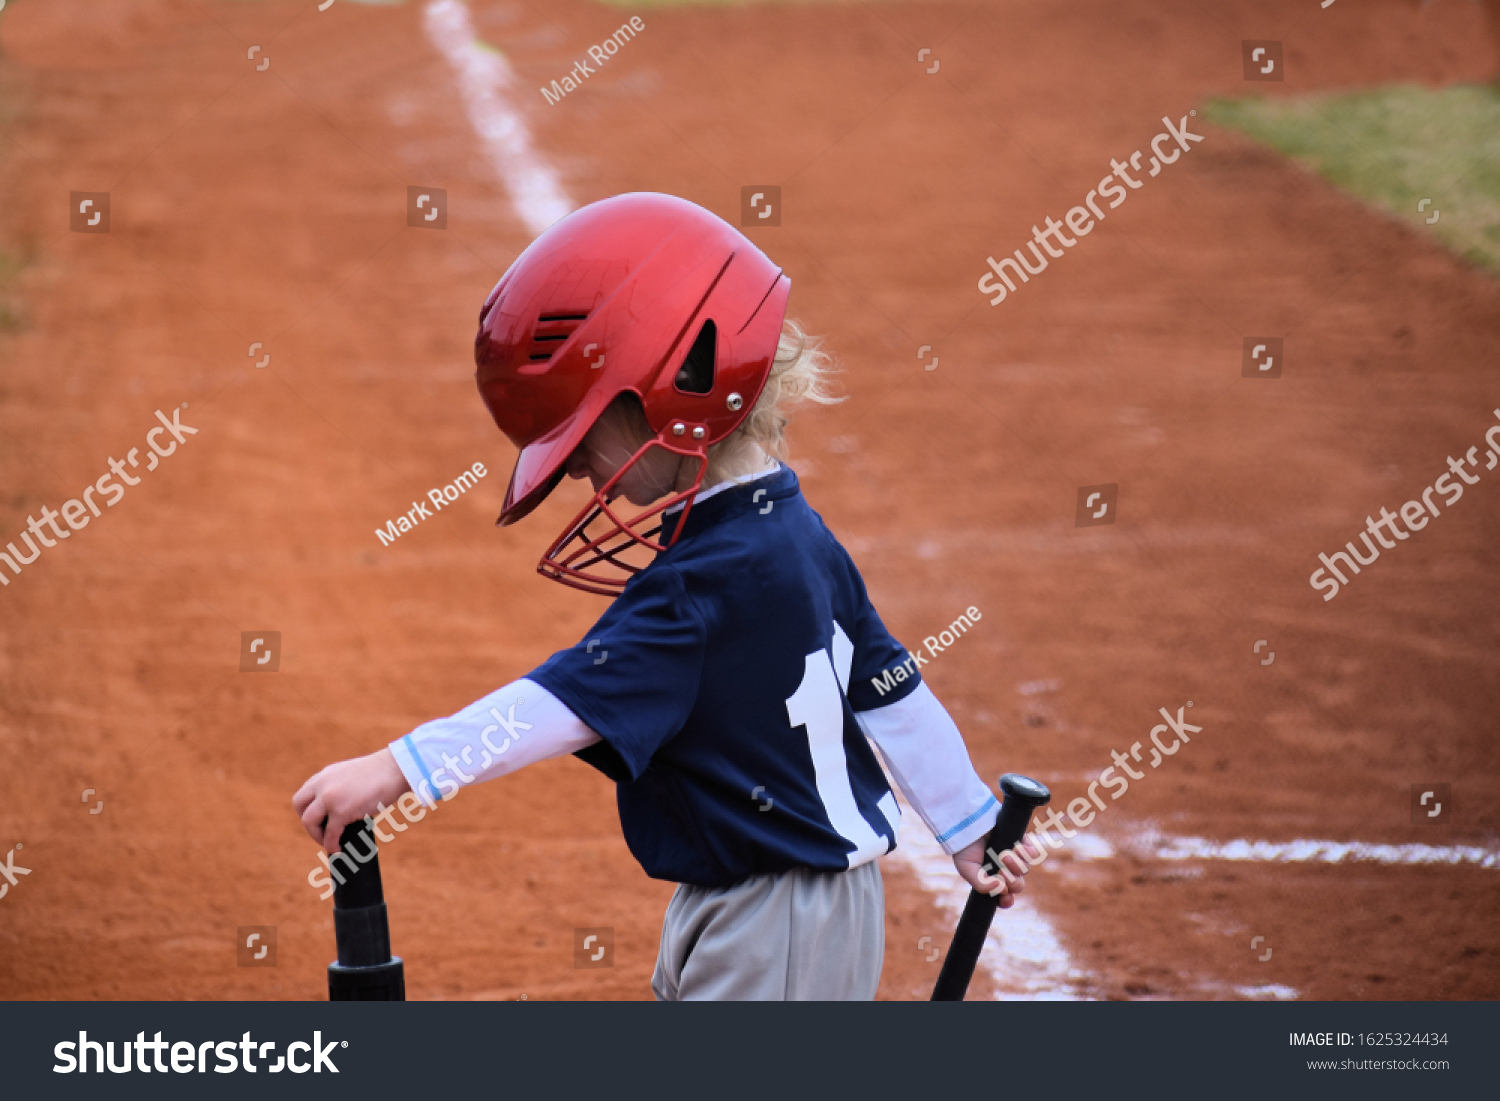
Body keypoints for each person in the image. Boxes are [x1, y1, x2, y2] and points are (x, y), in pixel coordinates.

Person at [293, 193, 1037, 1000]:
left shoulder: (700, 582)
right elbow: (891, 686)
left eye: (581, 439)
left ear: (678, 384)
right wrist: (967, 824)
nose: (578, 472)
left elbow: (560, 703)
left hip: (775, 916)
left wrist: (400, 767)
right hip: (754, 902)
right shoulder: (793, 530)